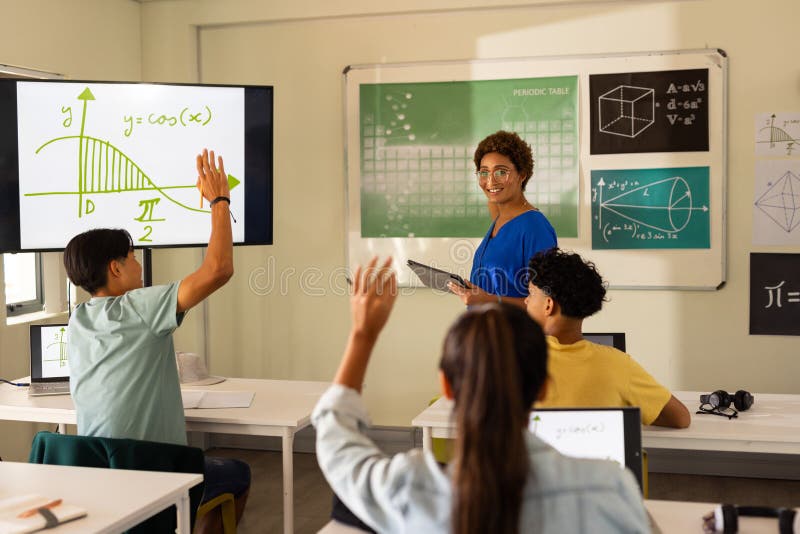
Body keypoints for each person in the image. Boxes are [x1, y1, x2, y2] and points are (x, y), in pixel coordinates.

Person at [313, 257, 650, 533]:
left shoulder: (409, 490)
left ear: (447, 387)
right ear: (544, 386)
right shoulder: (608, 488)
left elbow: (336, 440)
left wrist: (363, 334)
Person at [63, 149, 250, 532]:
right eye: (132, 258)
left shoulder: (77, 320)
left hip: (100, 474)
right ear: (115, 268)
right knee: (237, 473)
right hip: (155, 474)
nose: (138, 265)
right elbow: (219, 269)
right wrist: (219, 199)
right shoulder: (139, 308)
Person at [525, 247, 691, 428]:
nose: (526, 300)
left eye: (531, 293)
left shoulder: (516, 359)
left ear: (548, 305)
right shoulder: (618, 364)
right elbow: (680, 418)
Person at [449, 130, 557, 308]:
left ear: (522, 174)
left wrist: (488, 299)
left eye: (501, 172)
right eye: (484, 172)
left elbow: (546, 304)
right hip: (484, 331)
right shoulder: (498, 218)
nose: (490, 181)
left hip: (513, 333)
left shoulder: (535, 228)